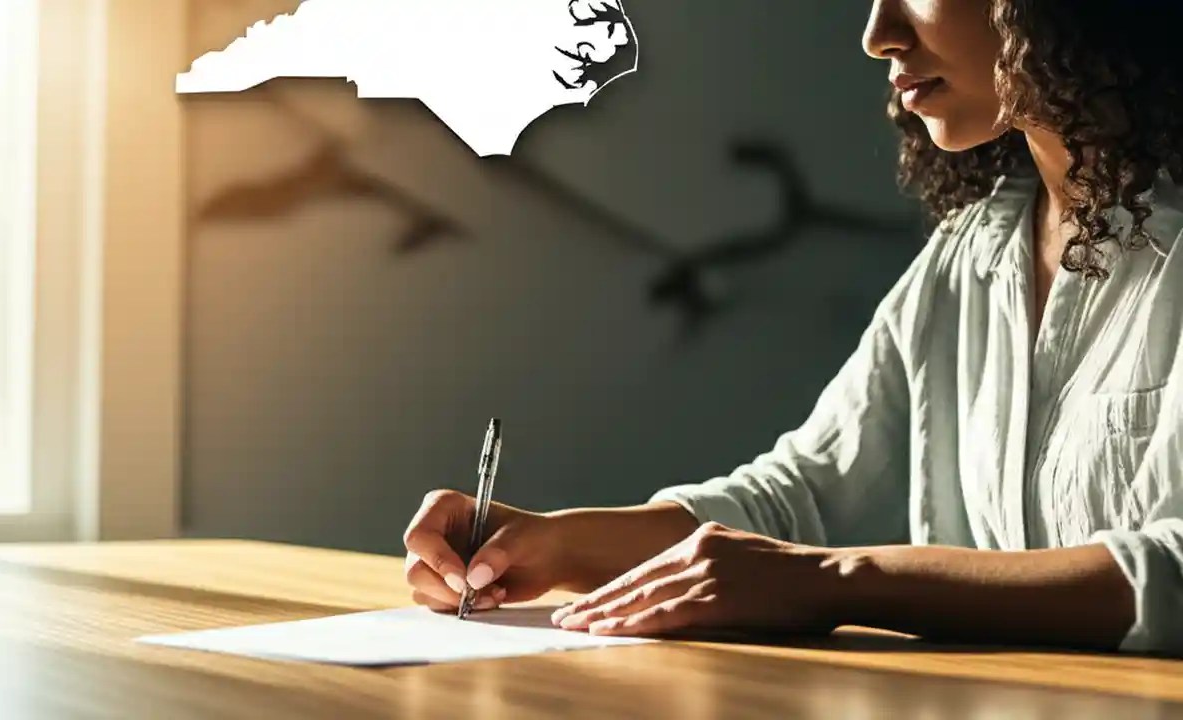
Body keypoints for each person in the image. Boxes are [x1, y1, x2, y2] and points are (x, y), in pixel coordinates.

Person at [402, 0, 1183, 655]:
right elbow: (806, 497)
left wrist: (835, 582)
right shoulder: (974, 250)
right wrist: (552, 544)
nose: (878, 34)